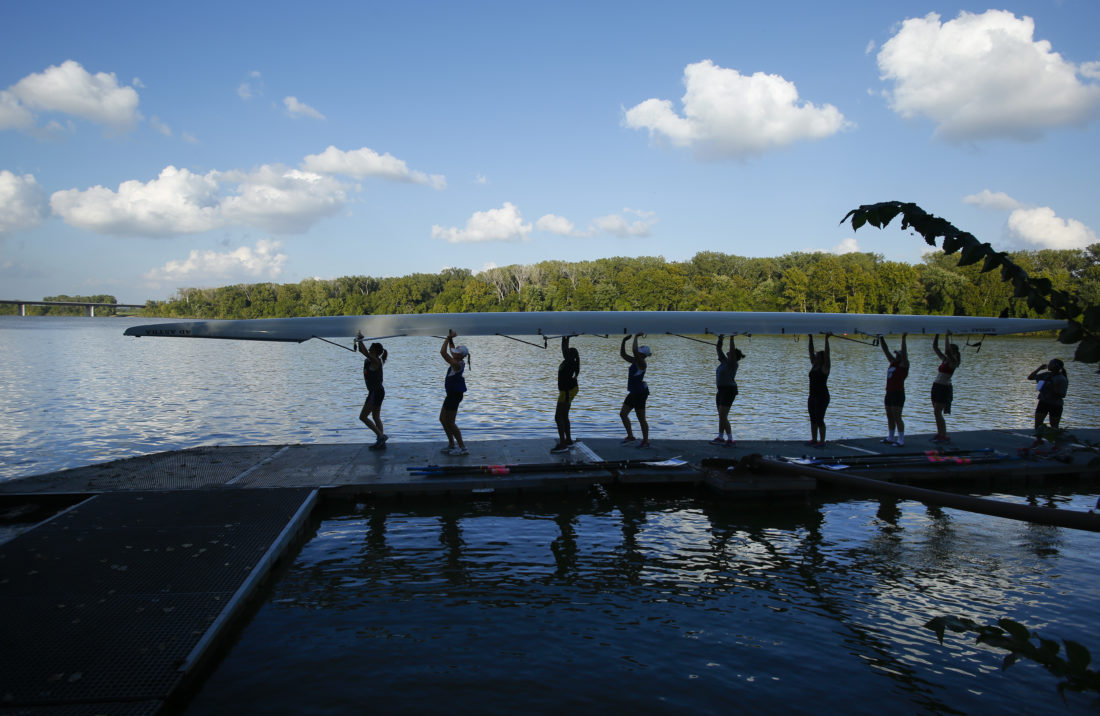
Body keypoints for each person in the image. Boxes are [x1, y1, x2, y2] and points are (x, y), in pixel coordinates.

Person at [355, 332, 388, 449]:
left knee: (363, 417)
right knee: (375, 417)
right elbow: (361, 350)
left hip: (376, 392)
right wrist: (358, 341)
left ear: (374, 351)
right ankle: (381, 441)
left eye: (370, 349)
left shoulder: (375, 361)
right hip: (377, 392)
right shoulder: (369, 360)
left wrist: (360, 340)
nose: (368, 350)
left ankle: (381, 436)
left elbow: (364, 351)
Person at [439, 329, 470, 456]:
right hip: (451, 395)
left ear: (460, 356)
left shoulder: (456, 365)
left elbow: (443, 352)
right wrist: (451, 339)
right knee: (442, 419)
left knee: (450, 422)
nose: (454, 353)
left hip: (454, 396)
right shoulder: (457, 360)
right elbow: (451, 349)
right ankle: (451, 444)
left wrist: (446, 338)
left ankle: (462, 448)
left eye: (456, 353)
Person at [619, 332, 651, 448]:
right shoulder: (635, 361)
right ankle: (630, 436)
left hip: (640, 394)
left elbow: (634, 351)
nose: (638, 353)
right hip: (633, 392)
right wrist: (624, 340)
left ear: (643, 355)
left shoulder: (642, 364)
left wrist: (636, 336)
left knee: (641, 418)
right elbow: (623, 354)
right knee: (623, 414)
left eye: (640, 353)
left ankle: (646, 441)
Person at [711, 334, 743, 446]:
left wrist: (732, 338)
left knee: (723, 415)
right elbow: (718, 349)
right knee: (721, 415)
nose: (728, 353)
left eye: (730, 352)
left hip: (729, 390)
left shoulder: (733, 364)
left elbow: (731, 351)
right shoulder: (724, 361)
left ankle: (730, 439)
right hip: (721, 390)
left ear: (734, 356)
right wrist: (720, 339)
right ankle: (721, 437)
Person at [1027, 358, 1068, 443]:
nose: (1048, 365)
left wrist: (1050, 386)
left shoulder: (1061, 379)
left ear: (1055, 366)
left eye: (1050, 363)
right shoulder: (1046, 374)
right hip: (1043, 402)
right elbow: (1030, 377)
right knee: (1038, 424)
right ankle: (1039, 441)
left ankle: (1056, 444)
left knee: (1054, 426)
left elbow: (1062, 395)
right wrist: (1039, 369)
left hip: (1055, 404)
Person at [879, 333, 908, 446]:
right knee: (889, 416)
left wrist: (903, 338)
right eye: (896, 354)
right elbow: (886, 350)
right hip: (889, 392)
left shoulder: (904, 365)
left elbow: (904, 354)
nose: (896, 356)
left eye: (898, 354)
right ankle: (891, 437)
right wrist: (881, 338)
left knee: (897, 417)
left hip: (898, 393)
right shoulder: (893, 362)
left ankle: (900, 440)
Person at [552, 335, 580, 453]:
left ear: (569, 355)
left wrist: (566, 337)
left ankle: (563, 444)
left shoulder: (569, 362)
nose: (564, 353)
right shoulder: (569, 360)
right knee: (564, 416)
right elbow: (564, 348)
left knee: (558, 417)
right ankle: (568, 440)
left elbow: (564, 348)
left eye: (566, 352)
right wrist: (566, 336)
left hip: (567, 392)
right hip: (568, 391)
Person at [931, 332, 961, 443]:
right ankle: (940, 433)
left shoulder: (954, 362)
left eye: (950, 351)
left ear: (954, 353)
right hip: (936, 386)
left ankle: (943, 435)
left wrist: (947, 336)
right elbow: (935, 347)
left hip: (943, 388)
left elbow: (947, 351)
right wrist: (937, 333)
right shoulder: (945, 360)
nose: (947, 353)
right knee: (936, 412)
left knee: (937, 412)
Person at [806, 333, 831, 447]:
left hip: (822, 396)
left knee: (820, 418)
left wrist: (826, 339)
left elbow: (828, 355)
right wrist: (810, 338)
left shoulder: (825, 368)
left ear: (822, 358)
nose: (815, 357)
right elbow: (810, 351)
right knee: (813, 418)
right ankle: (814, 439)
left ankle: (822, 441)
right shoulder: (814, 365)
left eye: (818, 356)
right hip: (812, 395)